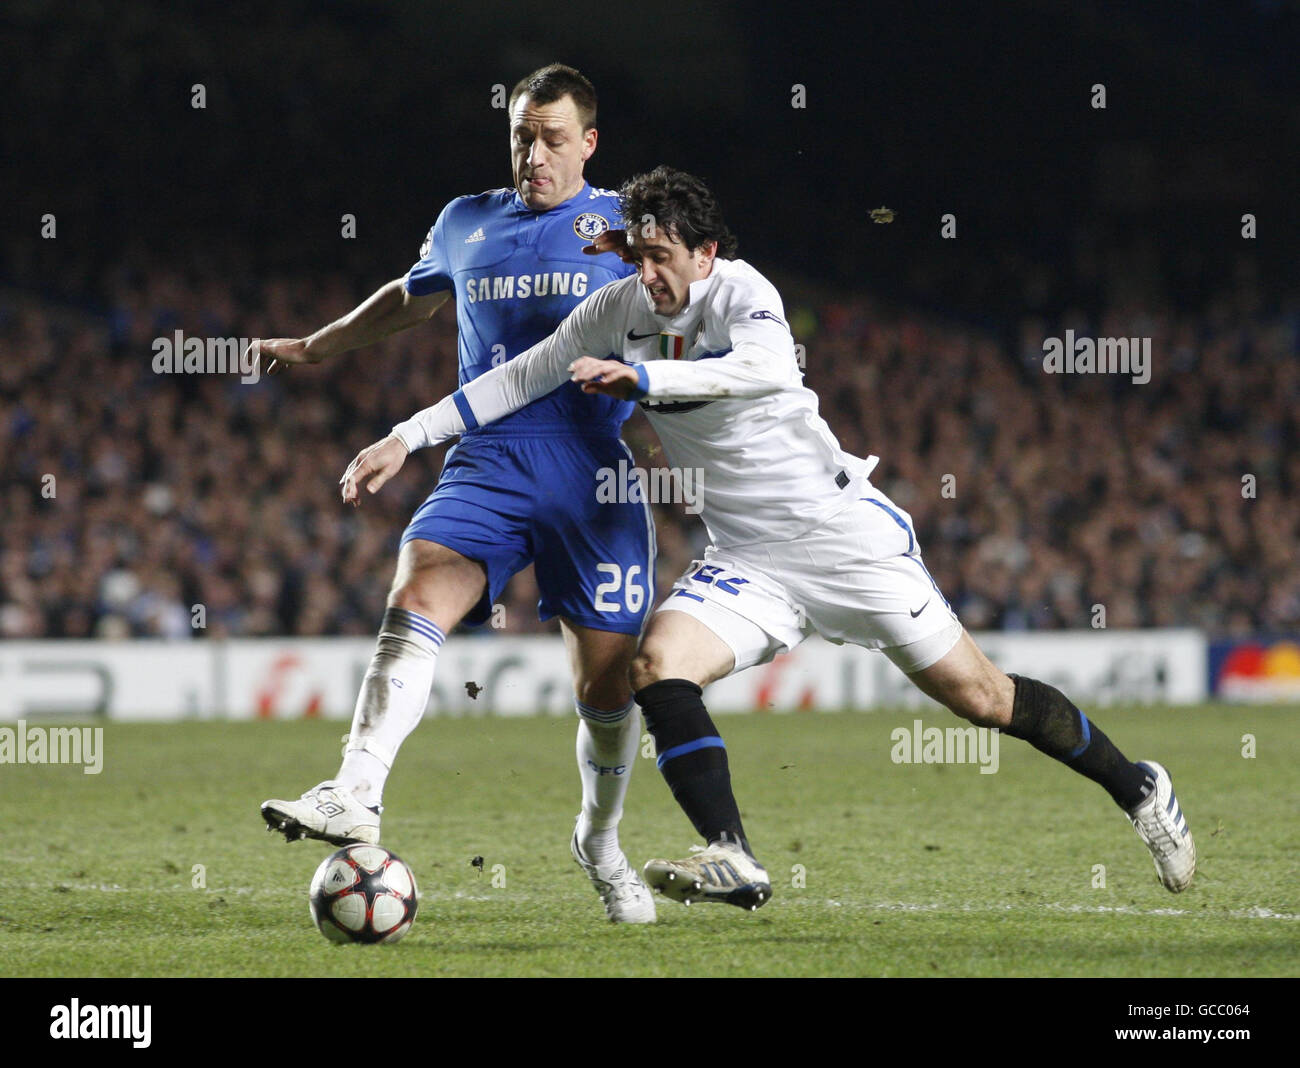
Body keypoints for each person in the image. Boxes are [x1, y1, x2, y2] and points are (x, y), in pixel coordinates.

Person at [340, 165, 1197, 910]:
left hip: (840, 537)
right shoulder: (615, 309)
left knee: (982, 700)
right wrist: (403, 438)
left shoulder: (744, 293)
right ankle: (731, 853)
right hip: (746, 558)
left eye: (663, 257)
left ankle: (1138, 786)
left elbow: (761, 372)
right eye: (637, 255)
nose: (649, 274)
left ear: (704, 253)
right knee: (653, 667)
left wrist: (641, 376)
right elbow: (514, 381)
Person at [257, 65, 658, 924]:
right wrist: (318, 346)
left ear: (588, 142)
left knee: (608, 689)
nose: (534, 151)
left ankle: (602, 841)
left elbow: (689, 303)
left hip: (593, 469)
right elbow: (409, 300)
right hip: (488, 456)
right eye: (521, 133)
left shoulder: (625, 223)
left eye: (553, 136)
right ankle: (355, 790)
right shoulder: (466, 221)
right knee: (419, 584)